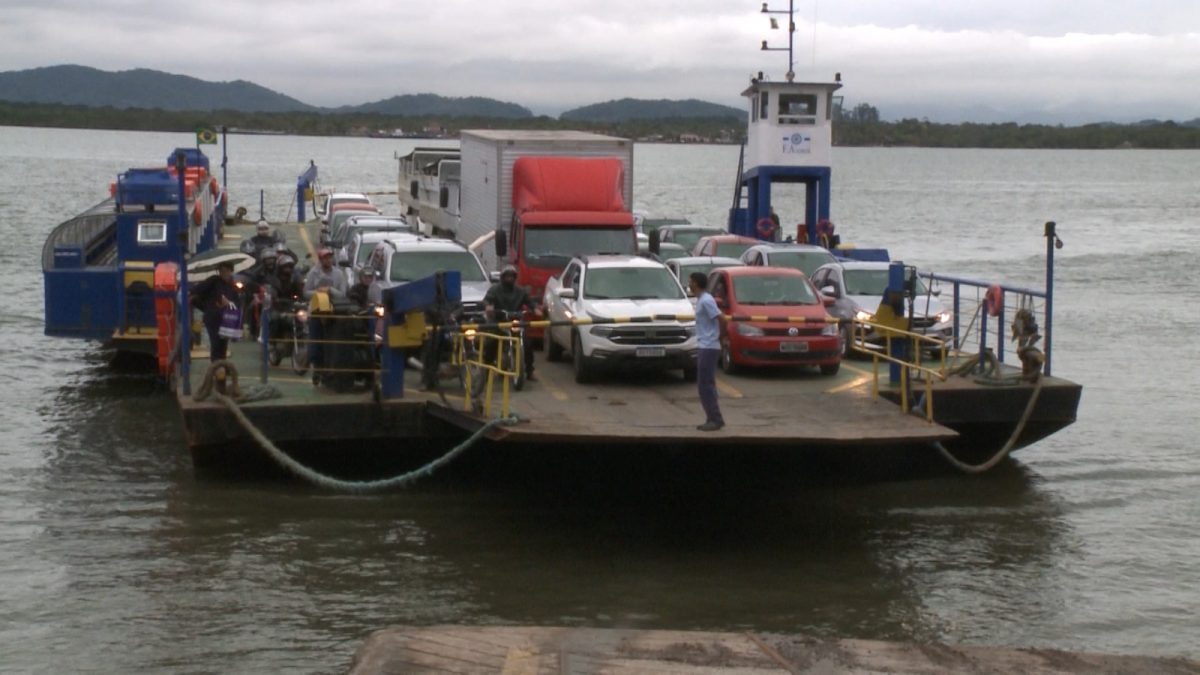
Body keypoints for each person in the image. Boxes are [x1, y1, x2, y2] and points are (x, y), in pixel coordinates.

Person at [483, 264, 537, 382]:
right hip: (499, 322)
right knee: (492, 343)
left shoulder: (520, 291)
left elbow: (529, 301)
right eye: (507, 276)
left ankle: (529, 371)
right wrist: (488, 306)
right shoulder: (495, 289)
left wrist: (535, 308)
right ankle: (486, 371)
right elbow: (487, 299)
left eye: (512, 276)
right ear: (502, 277)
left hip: (515, 322)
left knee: (527, 343)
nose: (510, 278)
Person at [303, 247, 349, 383]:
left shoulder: (339, 274)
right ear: (320, 259)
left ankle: (331, 368)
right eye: (325, 257)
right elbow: (306, 292)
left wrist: (330, 290)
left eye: (330, 257)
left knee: (332, 341)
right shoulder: (313, 273)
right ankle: (317, 368)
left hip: (334, 314)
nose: (328, 260)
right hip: (316, 313)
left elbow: (343, 294)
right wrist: (318, 292)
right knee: (316, 340)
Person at [688, 272, 724, 431]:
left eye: (690, 282)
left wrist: (719, 337)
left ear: (695, 283)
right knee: (706, 384)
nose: (689, 285)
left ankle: (715, 418)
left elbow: (722, 319)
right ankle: (713, 417)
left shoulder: (706, 300)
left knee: (705, 385)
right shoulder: (702, 300)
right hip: (705, 345)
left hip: (709, 347)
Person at [190, 260, 242, 362]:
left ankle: (221, 369)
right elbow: (197, 290)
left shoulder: (232, 286)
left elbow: (237, 303)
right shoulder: (214, 281)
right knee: (215, 344)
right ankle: (216, 368)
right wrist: (210, 306)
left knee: (223, 346)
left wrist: (229, 303)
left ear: (231, 271)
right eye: (221, 271)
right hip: (213, 318)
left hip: (226, 320)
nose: (224, 273)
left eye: (226, 271)